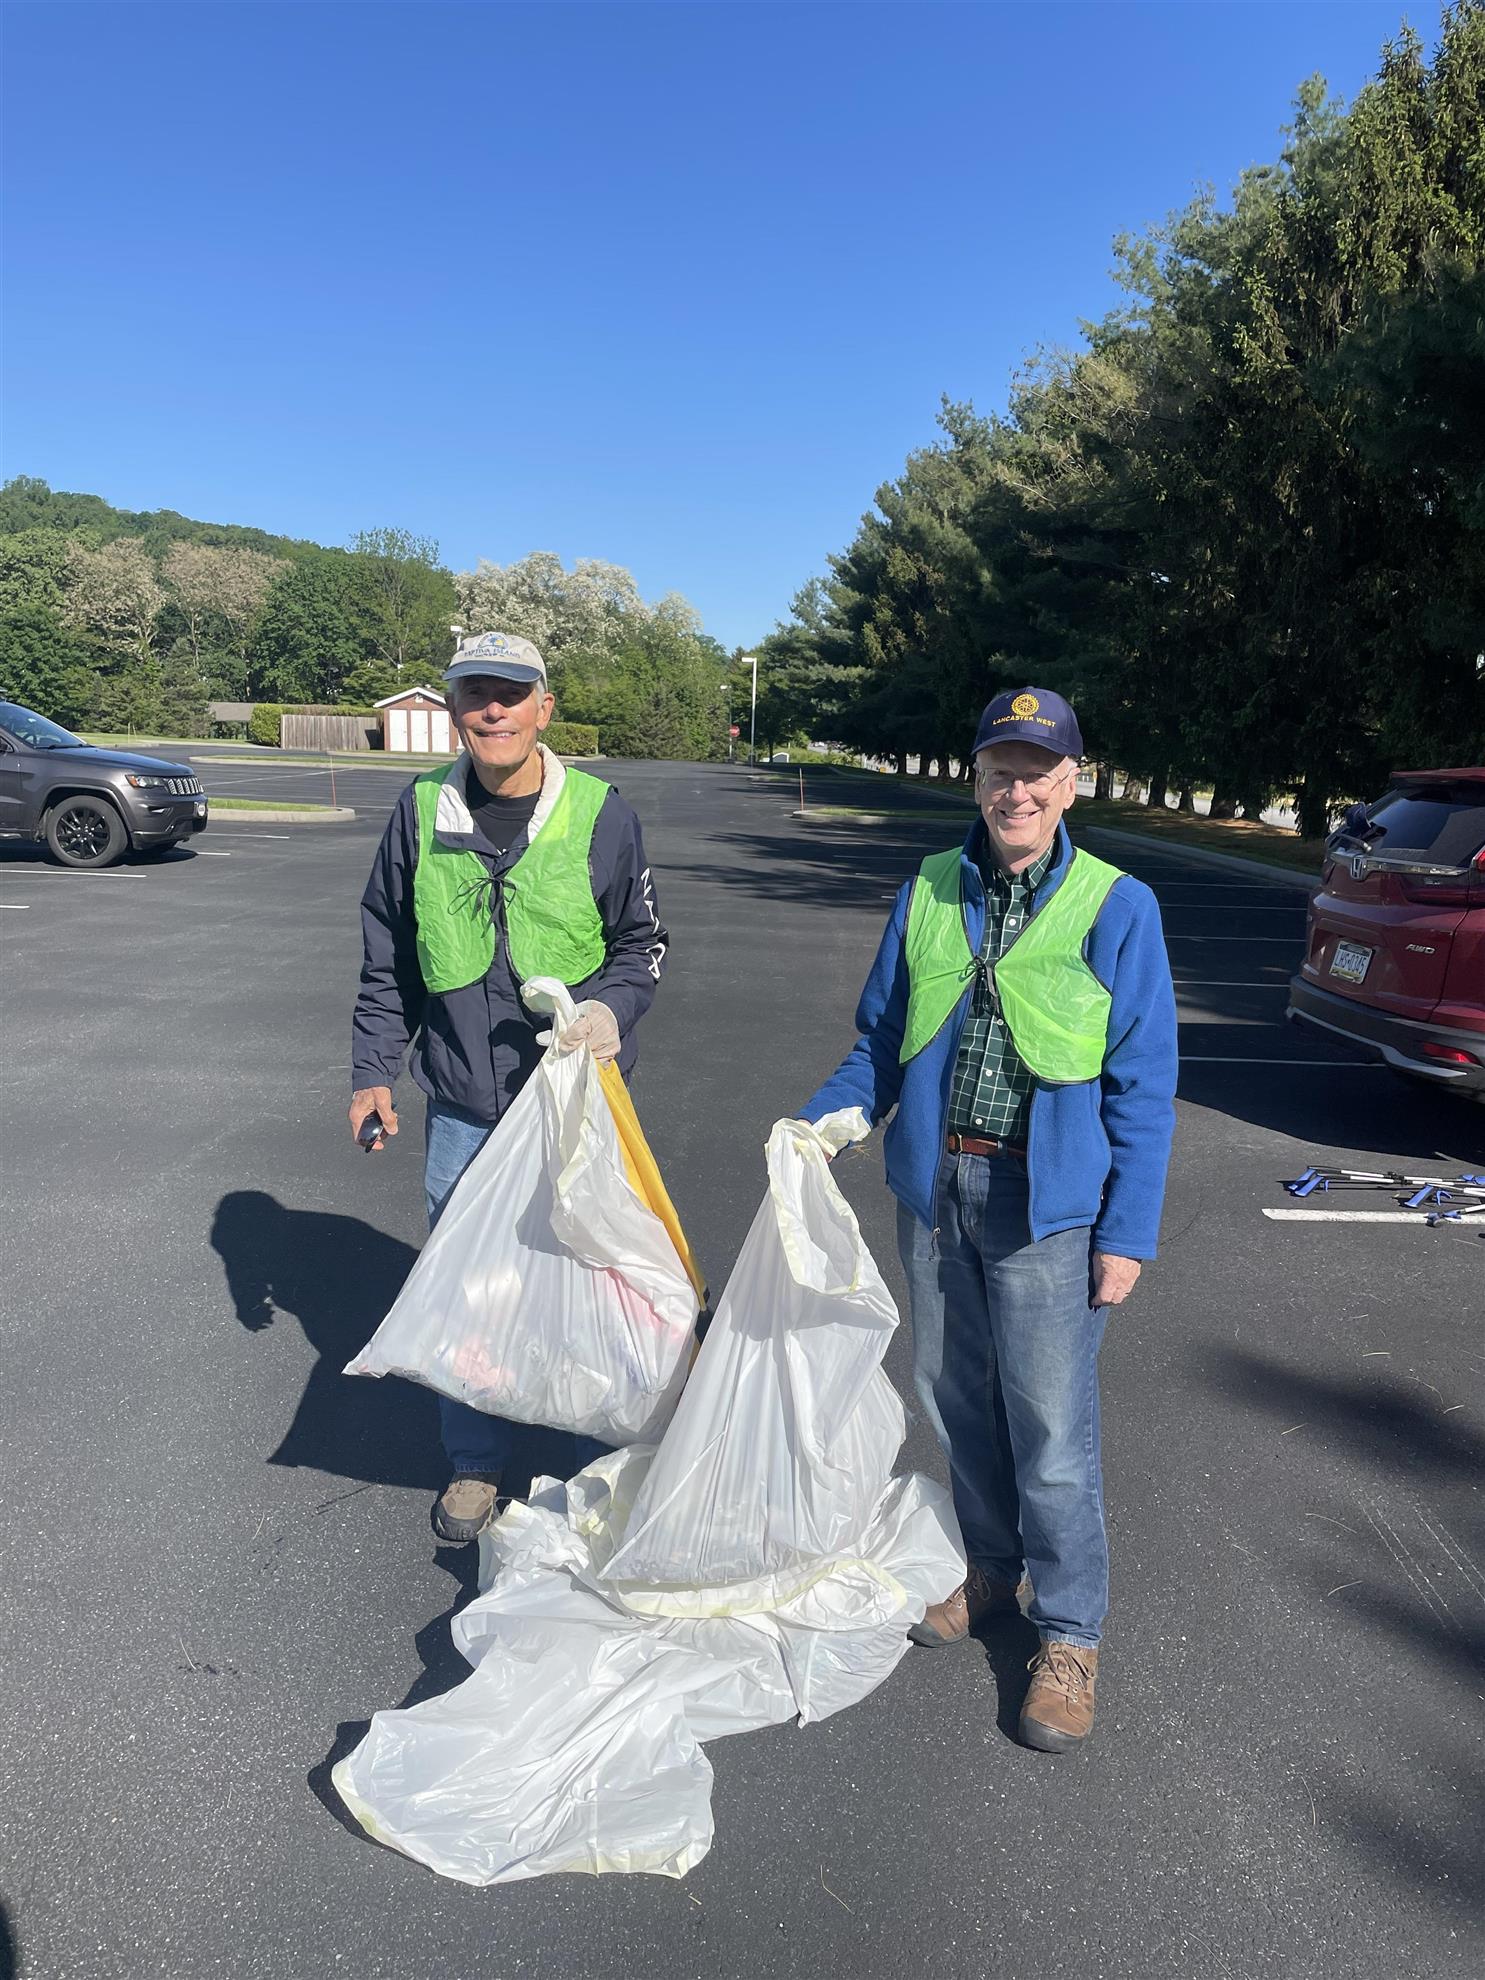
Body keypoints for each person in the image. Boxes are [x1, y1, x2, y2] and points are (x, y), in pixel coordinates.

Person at [798, 686, 1176, 1751]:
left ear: (1071, 783)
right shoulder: (927, 888)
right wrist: (819, 1122)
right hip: (938, 1194)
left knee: (1051, 1430)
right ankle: (995, 1573)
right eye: (998, 768)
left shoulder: (1117, 904)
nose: (1016, 787)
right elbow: (878, 1039)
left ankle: (1071, 1635)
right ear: (975, 778)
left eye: (1037, 770)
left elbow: (1144, 1083)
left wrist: (1127, 1232)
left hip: (1046, 1207)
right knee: (956, 1404)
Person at [349, 630, 669, 1543]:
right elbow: (387, 959)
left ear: (543, 708)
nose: (492, 709)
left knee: (589, 1277)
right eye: (475, 693)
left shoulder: (603, 814)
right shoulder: (418, 813)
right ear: (455, 707)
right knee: (468, 1286)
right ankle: (475, 1463)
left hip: (575, 1105)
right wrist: (374, 1071)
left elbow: (640, 945)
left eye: (511, 693)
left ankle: (594, 1450)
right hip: (461, 1105)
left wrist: (610, 1011)